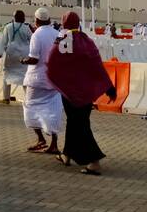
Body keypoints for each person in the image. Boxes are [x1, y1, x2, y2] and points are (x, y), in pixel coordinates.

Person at [47, 12, 115, 174]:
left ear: (64, 24)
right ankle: (67, 154)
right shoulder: (86, 40)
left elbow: (52, 59)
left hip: (70, 91)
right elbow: (96, 63)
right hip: (85, 90)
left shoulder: (62, 39)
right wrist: (108, 85)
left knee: (80, 125)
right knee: (76, 121)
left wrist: (57, 78)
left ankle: (94, 161)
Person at [20, 7, 63, 154]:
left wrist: (24, 60)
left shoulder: (36, 35)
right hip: (53, 80)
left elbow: (34, 59)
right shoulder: (57, 34)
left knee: (30, 108)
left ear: (36, 20)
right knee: (52, 111)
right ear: (49, 20)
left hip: (37, 80)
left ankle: (40, 139)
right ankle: (54, 144)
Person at [0, 10, 32, 104]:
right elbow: (32, 41)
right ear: (23, 18)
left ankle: (6, 98)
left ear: (14, 17)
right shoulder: (26, 28)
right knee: (25, 76)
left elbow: (3, 42)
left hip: (11, 54)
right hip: (23, 54)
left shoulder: (8, 27)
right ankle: (28, 99)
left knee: (7, 75)